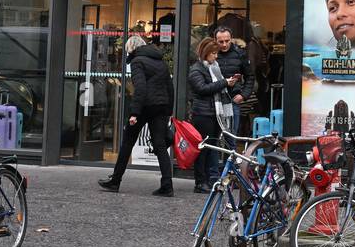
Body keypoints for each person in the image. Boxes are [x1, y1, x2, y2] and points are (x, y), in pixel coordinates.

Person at [99, 34, 175, 196]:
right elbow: (170, 87)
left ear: (131, 49)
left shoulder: (137, 62)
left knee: (128, 142)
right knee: (160, 145)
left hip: (145, 107)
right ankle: (167, 185)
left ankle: (115, 181)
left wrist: (134, 112)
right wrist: (169, 111)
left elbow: (140, 88)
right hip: (161, 107)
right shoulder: (160, 61)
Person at [188, 36, 241, 193]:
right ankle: (200, 182)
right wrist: (224, 82)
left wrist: (227, 82)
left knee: (211, 148)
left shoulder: (213, 68)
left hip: (214, 114)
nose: (216, 56)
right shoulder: (196, 69)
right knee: (203, 149)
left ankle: (208, 180)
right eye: (213, 53)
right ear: (206, 53)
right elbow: (203, 89)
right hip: (203, 114)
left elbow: (212, 87)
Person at [213, 25, 254, 134]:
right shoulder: (212, 54)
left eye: (227, 41)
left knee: (231, 136)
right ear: (215, 40)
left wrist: (243, 95)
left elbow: (250, 76)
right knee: (214, 137)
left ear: (231, 39)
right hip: (214, 100)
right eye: (220, 42)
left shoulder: (240, 53)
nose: (224, 44)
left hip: (232, 99)